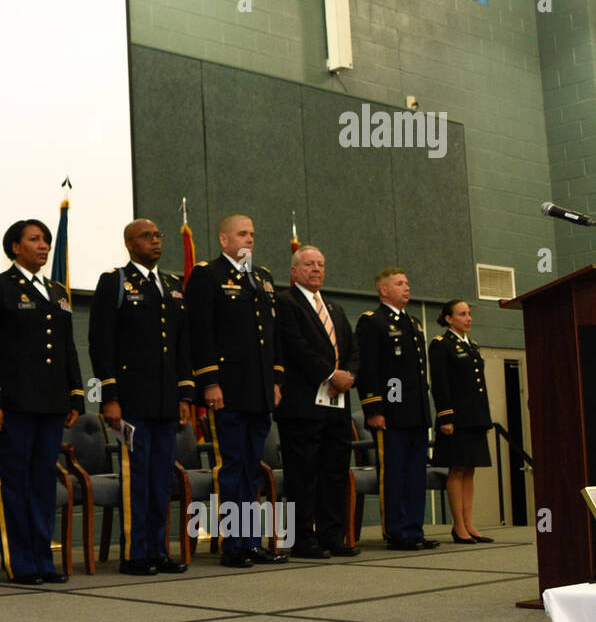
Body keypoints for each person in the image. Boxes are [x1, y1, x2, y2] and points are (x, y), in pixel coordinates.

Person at [0, 219, 84, 584]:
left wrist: (75, 395)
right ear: (15, 247)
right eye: (35, 239)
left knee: (42, 483)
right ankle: (20, 561)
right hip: (13, 405)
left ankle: (42, 559)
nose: (44, 245)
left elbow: (67, 347)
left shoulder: (57, 291)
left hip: (50, 404)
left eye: (46, 240)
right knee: (14, 483)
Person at [88, 219, 193, 575]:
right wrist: (110, 396)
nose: (155, 241)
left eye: (157, 235)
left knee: (161, 478)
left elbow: (181, 346)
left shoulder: (173, 284)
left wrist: (185, 394)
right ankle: (135, 553)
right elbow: (101, 343)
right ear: (130, 244)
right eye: (146, 237)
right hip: (131, 399)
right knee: (137, 478)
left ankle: (158, 549)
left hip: (165, 399)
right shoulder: (115, 281)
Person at [184, 214, 286, 568]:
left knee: (251, 468)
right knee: (231, 468)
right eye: (242, 234)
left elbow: (271, 334)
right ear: (224, 240)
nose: (249, 239)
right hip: (227, 389)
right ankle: (232, 543)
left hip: (258, 390)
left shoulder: (262, 278)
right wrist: (210, 382)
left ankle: (251, 541)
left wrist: (275, 380)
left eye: (253, 234)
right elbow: (201, 332)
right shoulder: (207, 275)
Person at [274, 246, 361, 558]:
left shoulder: (334, 307)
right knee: (303, 474)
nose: (316, 269)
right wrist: (329, 374)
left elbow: (352, 348)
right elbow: (295, 347)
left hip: (337, 405)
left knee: (335, 471)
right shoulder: (285, 302)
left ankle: (332, 536)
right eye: (309, 264)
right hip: (302, 404)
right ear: (294, 270)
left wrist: (349, 374)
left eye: (321, 264)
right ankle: (302, 538)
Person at [355, 268, 437, 551]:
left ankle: (414, 529)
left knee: (416, 475)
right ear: (384, 290)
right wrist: (373, 407)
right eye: (400, 283)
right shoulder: (373, 322)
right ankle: (397, 531)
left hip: (415, 412)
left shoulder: (413, 323)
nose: (406, 287)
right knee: (394, 474)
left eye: (407, 283)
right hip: (390, 414)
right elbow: (368, 368)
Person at [429, 299, 494, 544]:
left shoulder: (472, 345)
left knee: (470, 469)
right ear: (449, 318)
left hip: (474, 417)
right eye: (462, 314)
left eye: (469, 314)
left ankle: (469, 522)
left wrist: (485, 419)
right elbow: (441, 382)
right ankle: (458, 526)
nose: (468, 318)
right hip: (456, 418)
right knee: (456, 468)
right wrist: (445, 415)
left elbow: (480, 387)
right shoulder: (441, 345)